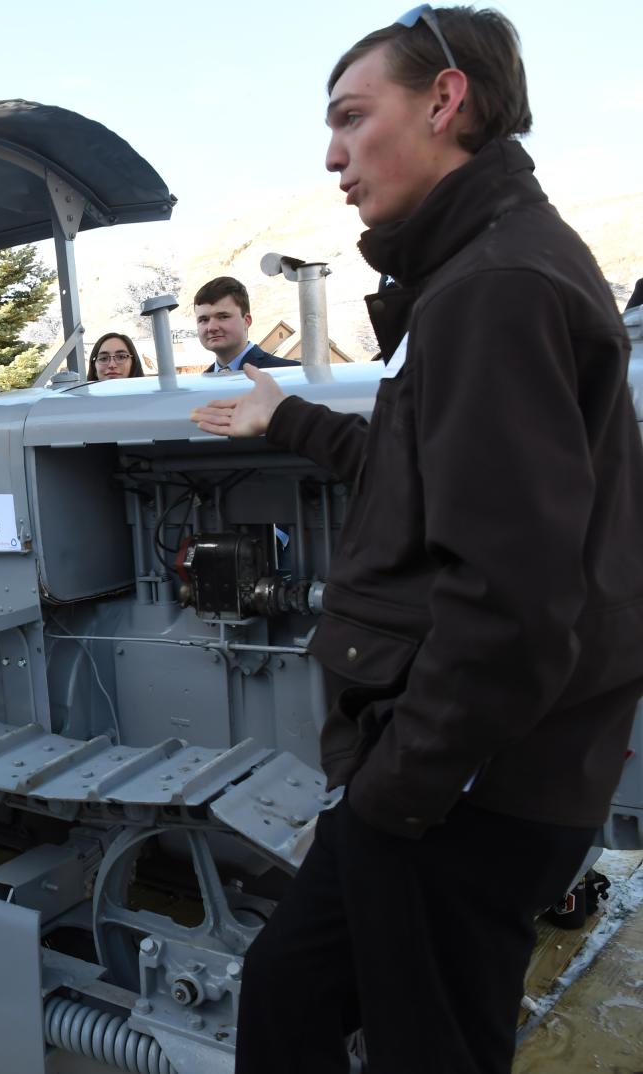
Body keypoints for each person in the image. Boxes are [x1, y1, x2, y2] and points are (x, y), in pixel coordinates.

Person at [189, 8, 643, 1072]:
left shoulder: (494, 289)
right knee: (290, 991)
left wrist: (397, 789)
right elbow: (427, 481)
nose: (332, 155)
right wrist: (292, 421)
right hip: (450, 769)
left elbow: (512, 601)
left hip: (463, 785)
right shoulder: (473, 276)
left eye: (353, 117)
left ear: (445, 101)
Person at [192, 276, 299, 375]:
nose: (212, 328)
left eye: (223, 317)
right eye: (204, 320)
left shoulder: (294, 374)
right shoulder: (199, 385)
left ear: (246, 321)